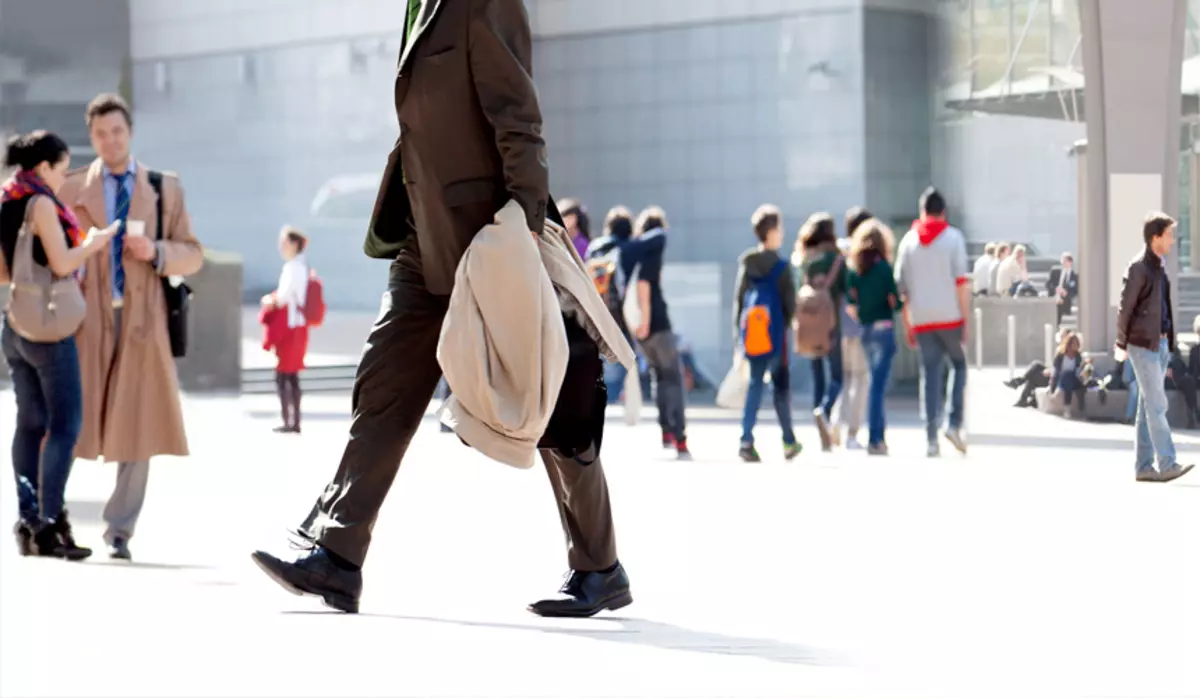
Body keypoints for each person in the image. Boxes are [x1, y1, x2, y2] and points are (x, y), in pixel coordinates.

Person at [250, 0, 633, 618]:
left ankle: (599, 566)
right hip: (423, 238)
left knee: (557, 396)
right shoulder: (419, 6)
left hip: (491, 237)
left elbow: (520, 114)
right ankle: (338, 555)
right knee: (385, 381)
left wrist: (524, 227)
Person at [59, 93, 204, 562]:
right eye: (101, 133)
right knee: (69, 419)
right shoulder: (71, 188)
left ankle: (119, 529)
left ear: (130, 132)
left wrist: (157, 252)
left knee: (137, 422)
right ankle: (49, 514)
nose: (110, 140)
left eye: (117, 131)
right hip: (87, 321)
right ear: (92, 137)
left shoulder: (165, 189)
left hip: (143, 322)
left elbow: (193, 253)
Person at [2, 131, 114, 559]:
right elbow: (63, 262)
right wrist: (92, 244)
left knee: (29, 424)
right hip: (49, 330)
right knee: (64, 427)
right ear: (45, 166)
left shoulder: (8, 196)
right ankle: (52, 523)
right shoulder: (42, 203)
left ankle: (28, 522)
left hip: (15, 325)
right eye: (62, 170)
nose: (64, 180)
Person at [1114, 212, 1193, 483]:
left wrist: (1167, 343)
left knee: (1148, 406)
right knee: (1157, 404)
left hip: (1159, 344)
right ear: (1155, 237)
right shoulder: (1138, 267)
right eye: (1169, 234)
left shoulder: (1159, 265)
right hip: (1141, 345)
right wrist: (1120, 343)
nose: (1173, 240)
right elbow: (1125, 308)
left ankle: (1144, 467)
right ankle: (1167, 462)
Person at [895, 187, 969, 457]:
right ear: (944, 211)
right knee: (959, 366)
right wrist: (965, 319)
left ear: (922, 211)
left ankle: (931, 438)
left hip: (922, 318)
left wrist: (908, 324)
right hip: (950, 316)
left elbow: (902, 290)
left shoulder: (908, 242)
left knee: (930, 375)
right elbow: (961, 283)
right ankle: (953, 422)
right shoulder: (954, 238)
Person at [733, 204, 800, 462]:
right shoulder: (782, 267)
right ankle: (788, 442)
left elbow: (739, 303)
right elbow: (790, 306)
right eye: (779, 228)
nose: (782, 233)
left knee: (754, 388)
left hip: (752, 337)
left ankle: (746, 440)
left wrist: (737, 339)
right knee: (781, 389)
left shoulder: (747, 263)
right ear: (770, 231)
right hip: (776, 338)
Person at [631, 206, 690, 459]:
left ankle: (665, 430)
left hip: (641, 328)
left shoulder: (634, 252)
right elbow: (644, 284)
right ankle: (679, 437)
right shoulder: (652, 250)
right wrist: (646, 320)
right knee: (673, 379)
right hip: (655, 325)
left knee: (659, 377)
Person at [846, 219, 901, 456]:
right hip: (884, 329)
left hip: (866, 331)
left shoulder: (856, 270)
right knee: (878, 386)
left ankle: (879, 436)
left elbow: (850, 304)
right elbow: (895, 301)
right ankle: (875, 438)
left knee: (874, 384)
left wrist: (862, 313)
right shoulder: (884, 268)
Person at [793, 212, 846, 451]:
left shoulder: (805, 261)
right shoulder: (836, 259)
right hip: (831, 324)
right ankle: (824, 410)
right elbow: (847, 288)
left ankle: (821, 433)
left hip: (808, 326)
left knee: (818, 378)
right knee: (837, 376)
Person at [260, 226, 310, 434]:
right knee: (290, 374)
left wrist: (268, 300)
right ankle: (292, 420)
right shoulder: (299, 266)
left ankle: (291, 421)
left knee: (285, 374)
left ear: (293, 244)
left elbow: (283, 297)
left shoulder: (294, 268)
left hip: (290, 326)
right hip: (295, 326)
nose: (281, 247)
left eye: (284, 242)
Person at [1048, 332, 1087, 419]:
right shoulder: (1061, 356)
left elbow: (1077, 372)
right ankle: (1066, 409)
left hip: (1073, 379)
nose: (1076, 345)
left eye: (1077, 343)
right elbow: (1055, 372)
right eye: (1074, 343)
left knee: (1069, 377)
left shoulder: (1078, 356)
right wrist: (1052, 388)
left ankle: (1069, 408)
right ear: (1069, 343)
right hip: (1062, 380)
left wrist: (1083, 369)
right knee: (1067, 376)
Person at [1046, 252, 1078, 327]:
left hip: (1066, 302)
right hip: (1055, 299)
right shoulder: (1055, 272)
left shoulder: (1074, 276)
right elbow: (1048, 284)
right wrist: (1056, 290)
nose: (1065, 263)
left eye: (1068, 260)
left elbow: (1075, 290)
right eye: (1064, 260)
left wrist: (1066, 293)